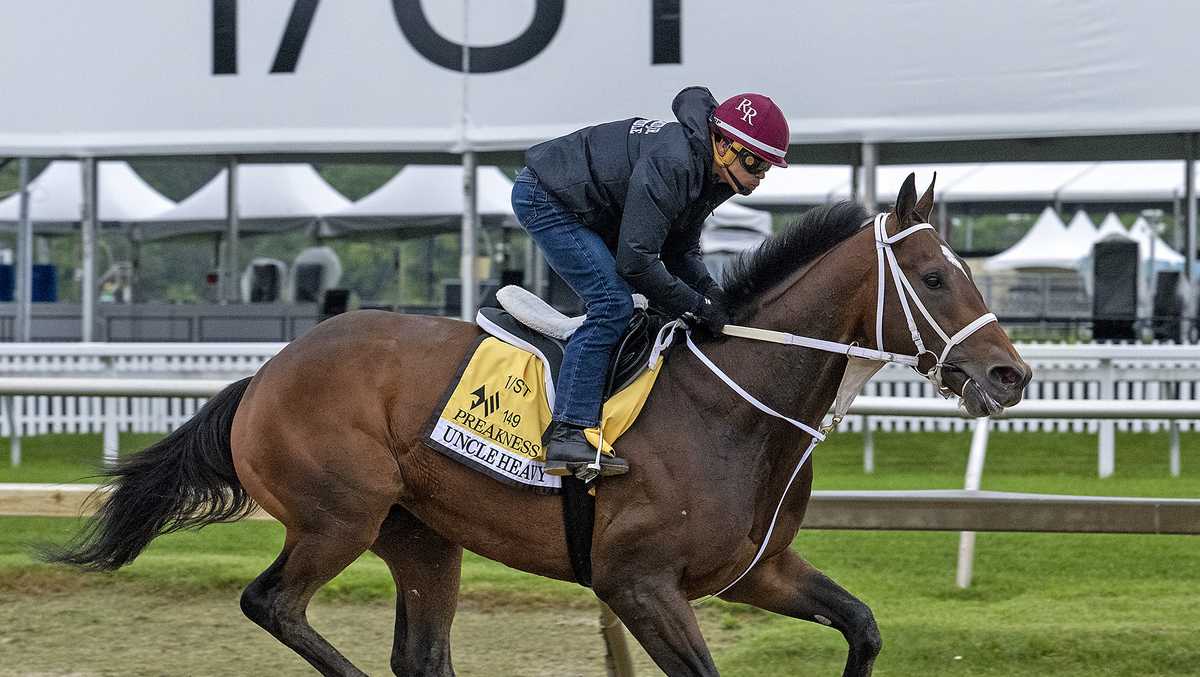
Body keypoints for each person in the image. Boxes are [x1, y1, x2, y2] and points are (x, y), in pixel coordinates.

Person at [510, 87, 789, 478]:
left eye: (767, 169)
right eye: (756, 164)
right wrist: (698, 306)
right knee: (614, 305)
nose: (760, 178)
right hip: (546, 198)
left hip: (591, 206)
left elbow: (681, 251)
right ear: (726, 145)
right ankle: (568, 432)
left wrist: (714, 296)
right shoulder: (675, 163)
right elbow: (637, 263)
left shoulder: (713, 172)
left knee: (654, 306)